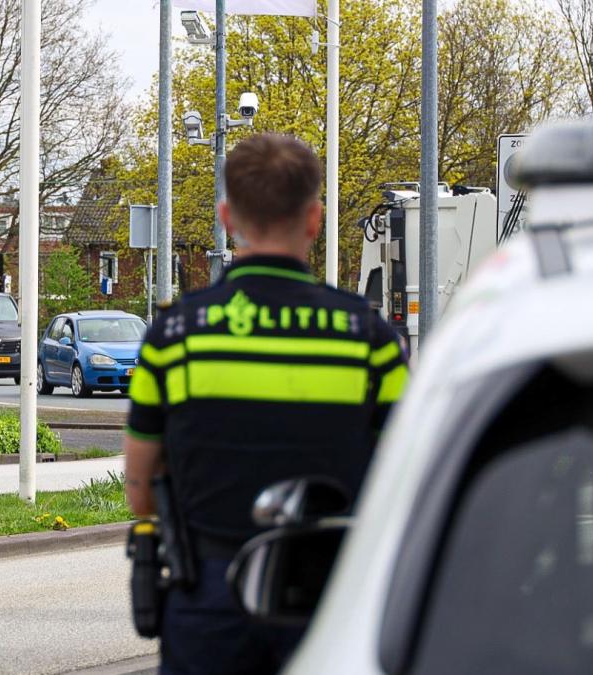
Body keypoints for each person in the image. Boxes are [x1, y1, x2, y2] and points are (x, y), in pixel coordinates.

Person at [123, 133, 409, 674]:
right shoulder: (367, 338)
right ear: (314, 220)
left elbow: (140, 491)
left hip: (209, 598)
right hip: (332, 601)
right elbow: (404, 478)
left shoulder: (176, 335)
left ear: (228, 217)